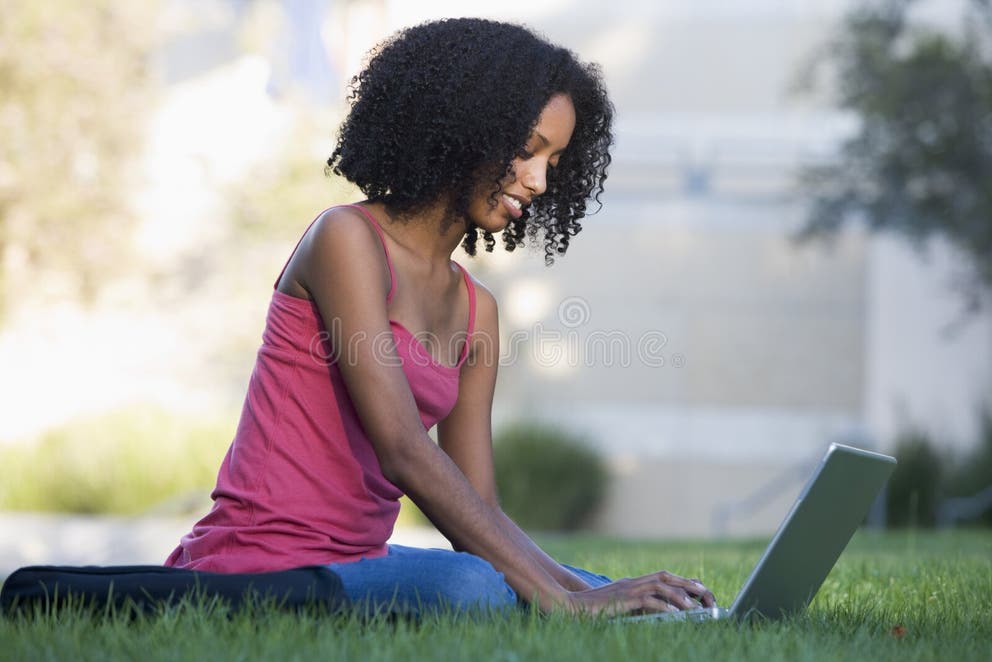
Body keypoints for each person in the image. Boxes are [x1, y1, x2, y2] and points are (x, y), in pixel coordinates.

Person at [165, 17, 716, 618]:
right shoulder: (346, 240)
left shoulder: (478, 310)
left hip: (361, 564)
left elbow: (479, 506)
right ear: (465, 126)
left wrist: (586, 591)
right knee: (474, 588)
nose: (537, 180)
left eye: (555, 161)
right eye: (527, 149)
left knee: (612, 587)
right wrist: (563, 604)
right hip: (261, 564)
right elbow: (403, 447)